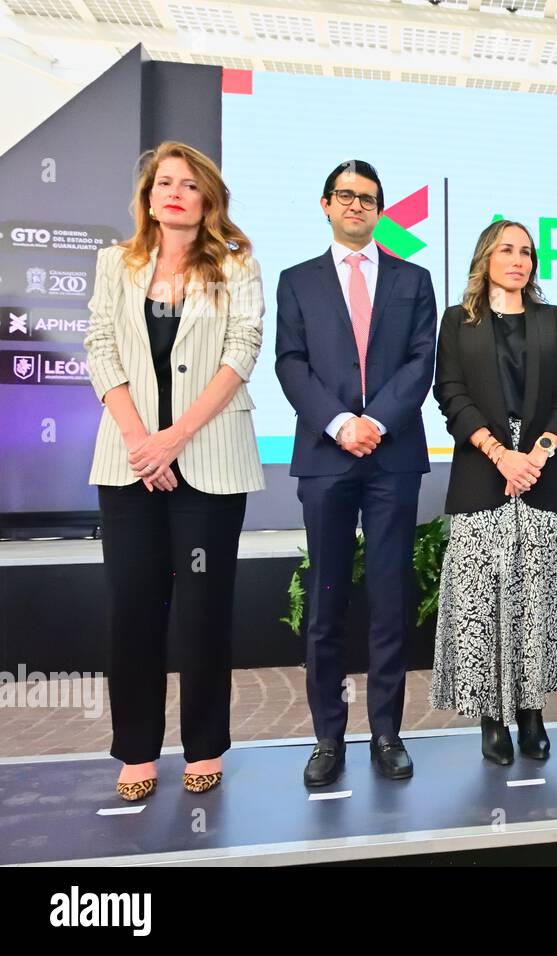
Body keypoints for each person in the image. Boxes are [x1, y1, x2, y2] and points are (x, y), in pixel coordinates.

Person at [84, 141, 265, 801]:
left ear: (208, 199)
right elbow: (99, 345)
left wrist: (175, 440)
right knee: (133, 610)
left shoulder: (237, 268)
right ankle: (136, 751)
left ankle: (205, 746)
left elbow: (242, 352)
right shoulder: (117, 263)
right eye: (164, 183)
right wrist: (142, 441)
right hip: (129, 463)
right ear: (148, 197)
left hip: (209, 464)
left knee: (204, 612)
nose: (175, 193)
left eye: (189, 185)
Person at [275, 160, 437, 787]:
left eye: (368, 199)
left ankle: (387, 733)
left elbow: (421, 362)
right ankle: (327, 736)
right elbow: (291, 364)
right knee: (326, 598)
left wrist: (378, 423)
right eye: (345, 196)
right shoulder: (298, 281)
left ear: (380, 209)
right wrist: (341, 423)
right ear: (325, 204)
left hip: (392, 455)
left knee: (391, 595)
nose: (356, 206)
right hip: (326, 455)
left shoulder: (412, 278)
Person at [431, 219, 557, 765]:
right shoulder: (458, 323)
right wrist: (501, 454)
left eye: (527, 252)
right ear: (485, 257)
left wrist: (538, 452)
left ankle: (532, 713)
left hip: (546, 475)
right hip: (484, 474)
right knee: (484, 602)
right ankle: (490, 718)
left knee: (538, 602)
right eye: (507, 249)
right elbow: (449, 392)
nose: (519, 259)